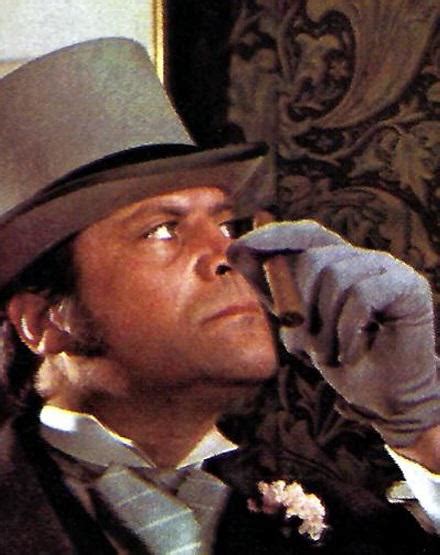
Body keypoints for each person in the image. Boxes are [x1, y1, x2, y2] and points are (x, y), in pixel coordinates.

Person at [0, 37, 438, 555]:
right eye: (162, 230)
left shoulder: (347, 516)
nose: (229, 253)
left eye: (227, 224)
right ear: (43, 323)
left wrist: (421, 430)